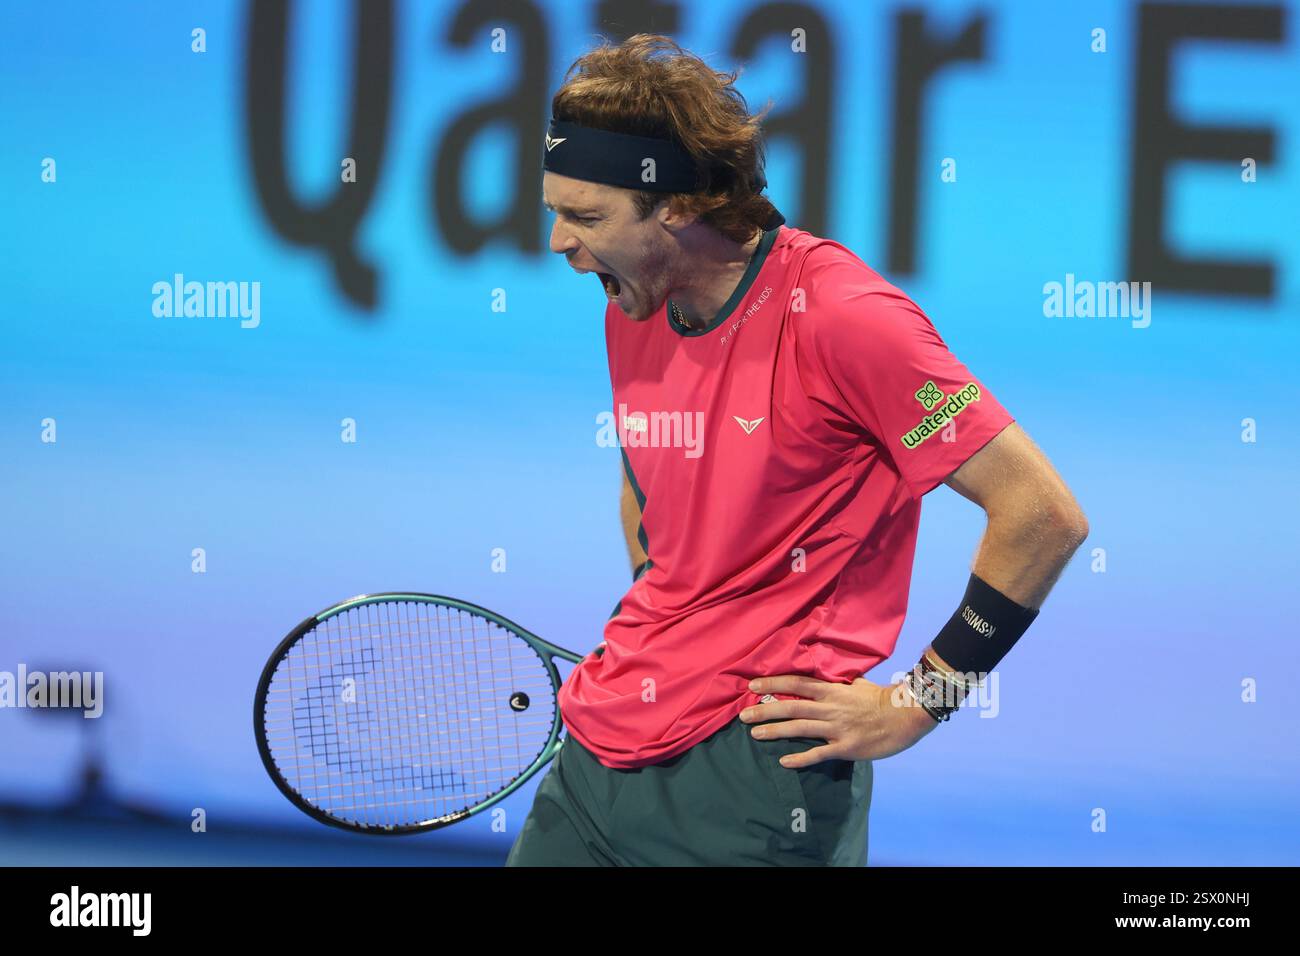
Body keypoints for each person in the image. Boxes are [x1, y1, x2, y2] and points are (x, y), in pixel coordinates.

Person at [507, 34, 1088, 866]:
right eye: (554, 210)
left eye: (587, 216)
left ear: (676, 206)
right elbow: (649, 487)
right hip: (596, 754)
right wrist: (669, 635)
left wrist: (920, 702)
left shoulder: (848, 319)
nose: (560, 240)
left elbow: (1043, 514)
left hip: (759, 777)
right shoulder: (630, 303)